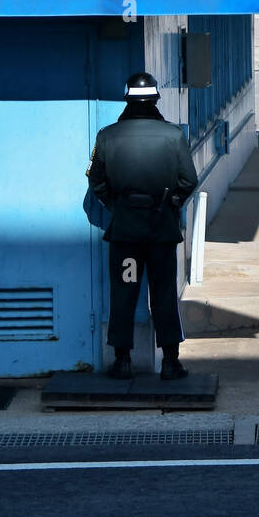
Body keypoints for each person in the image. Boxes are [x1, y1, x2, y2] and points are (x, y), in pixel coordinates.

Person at [87, 72, 199, 381]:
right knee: (163, 293)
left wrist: (118, 206)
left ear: (127, 100)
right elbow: (188, 181)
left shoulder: (106, 136)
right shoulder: (174, 136)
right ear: (155, 100)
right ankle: (170, 362)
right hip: (161, 230)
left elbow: (96, 182)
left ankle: (122, 361)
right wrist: (169, 204)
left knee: (124, 292)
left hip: (125, 232)